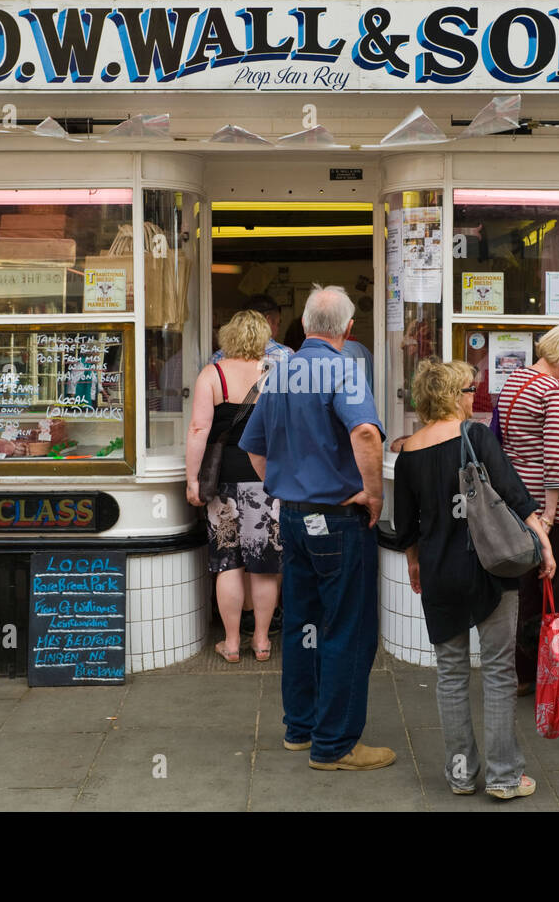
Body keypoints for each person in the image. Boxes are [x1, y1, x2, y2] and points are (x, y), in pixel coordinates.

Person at [240, 284, 393, 771]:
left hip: (293, 517)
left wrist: (289, 487)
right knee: (347, 628)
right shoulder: (345, 369)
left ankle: (300, 730)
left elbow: (254, 447)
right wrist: (373, 493)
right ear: (349, 329)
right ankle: (336, 745)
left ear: (304, 326)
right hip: (338, 521)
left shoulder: (280, 373)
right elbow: (365, 432)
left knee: (302, 625)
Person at [394, 360, 555, 799]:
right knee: (500, 673)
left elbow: (406, 525)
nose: (473, 397)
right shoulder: (476, 436)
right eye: (468, 390)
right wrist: (543, 541)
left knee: (450, 674)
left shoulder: (407, 452)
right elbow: (515, 494)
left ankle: (461, 774)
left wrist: (414, 562)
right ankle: (504, 777)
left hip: (439, 571)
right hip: (490, 567)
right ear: (450, 394)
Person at [497, 323, 559, 699]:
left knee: (525, 594)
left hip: (518, 506)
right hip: (552, 513)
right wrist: (549, 517)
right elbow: (556, 462)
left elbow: (511, 445)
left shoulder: (515, 381)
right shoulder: (555, 391)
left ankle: (524, 675)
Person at [186, 311, 282, 663]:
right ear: (263, 338)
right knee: (265, 564)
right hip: (266, 480)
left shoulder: (213, 375)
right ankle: (260, 641)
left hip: (224, 480)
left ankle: (230, 643)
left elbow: (199, 429)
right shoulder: (276, 376)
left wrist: (193, 480)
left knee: (228, 562)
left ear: (227, 335)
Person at [209, 294, 293, 366]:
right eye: (278, 324)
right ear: (268, 321)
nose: (278, 331)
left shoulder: (218, 357)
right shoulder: (285, 355)